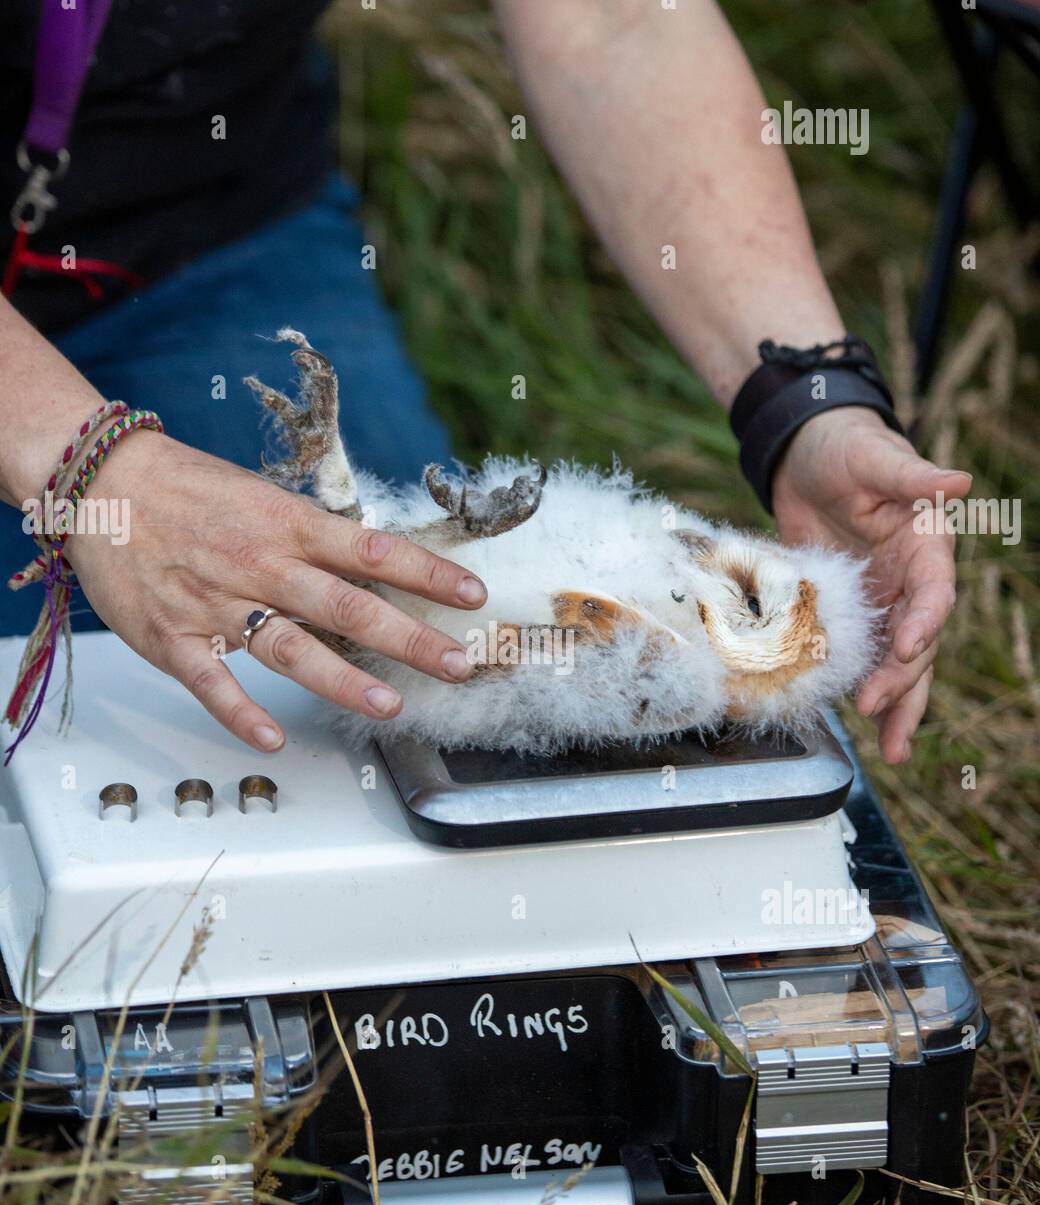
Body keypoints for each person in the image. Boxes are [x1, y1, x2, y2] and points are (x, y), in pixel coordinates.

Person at [0, 0, 971, 764]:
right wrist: (87, 465)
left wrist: (801, 398)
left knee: (401, 669)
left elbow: (614, 21)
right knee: (56, 741)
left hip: (202, 239)